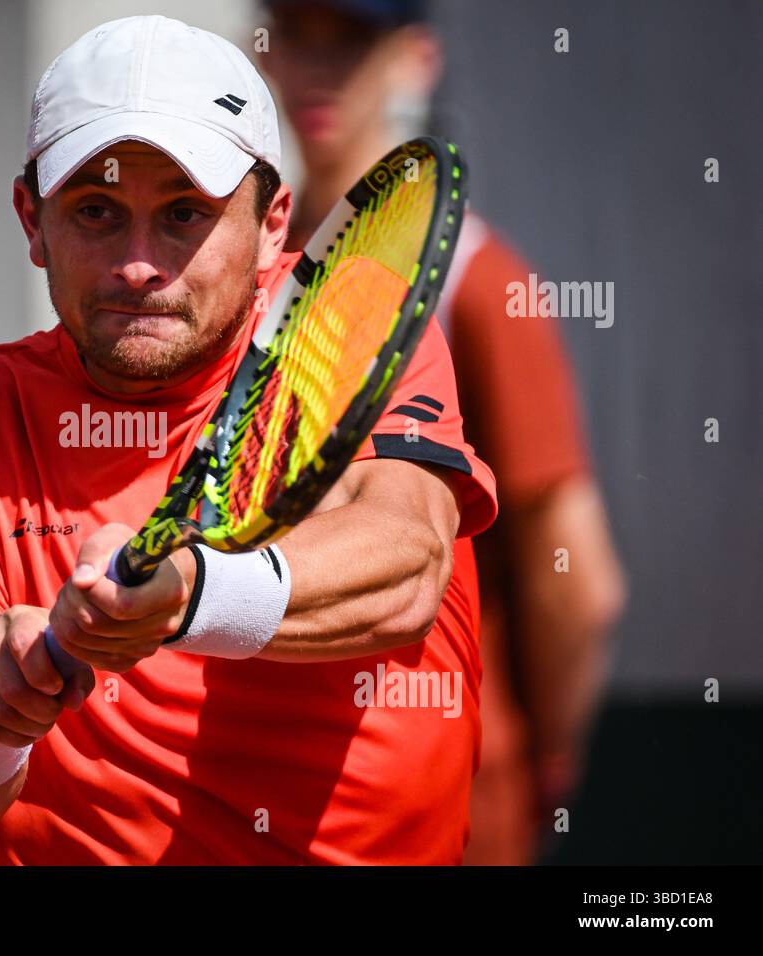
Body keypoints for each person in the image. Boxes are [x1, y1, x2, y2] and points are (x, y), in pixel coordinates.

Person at [0, 14, 496, 865]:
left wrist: (190, 595)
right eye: (95, 211)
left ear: (274, 220)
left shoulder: (354, 322)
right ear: (30, 220)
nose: (137, 263)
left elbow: (408, 567)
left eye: (184, 214)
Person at [257, 0, 627, 863]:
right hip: (267, 802)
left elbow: (578, 582)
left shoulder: (482, 284)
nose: (320, 70)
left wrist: (547, 761)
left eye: (350, 40)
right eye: (296, 36)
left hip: (442, 806)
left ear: (416, 59)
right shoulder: (242, 283)